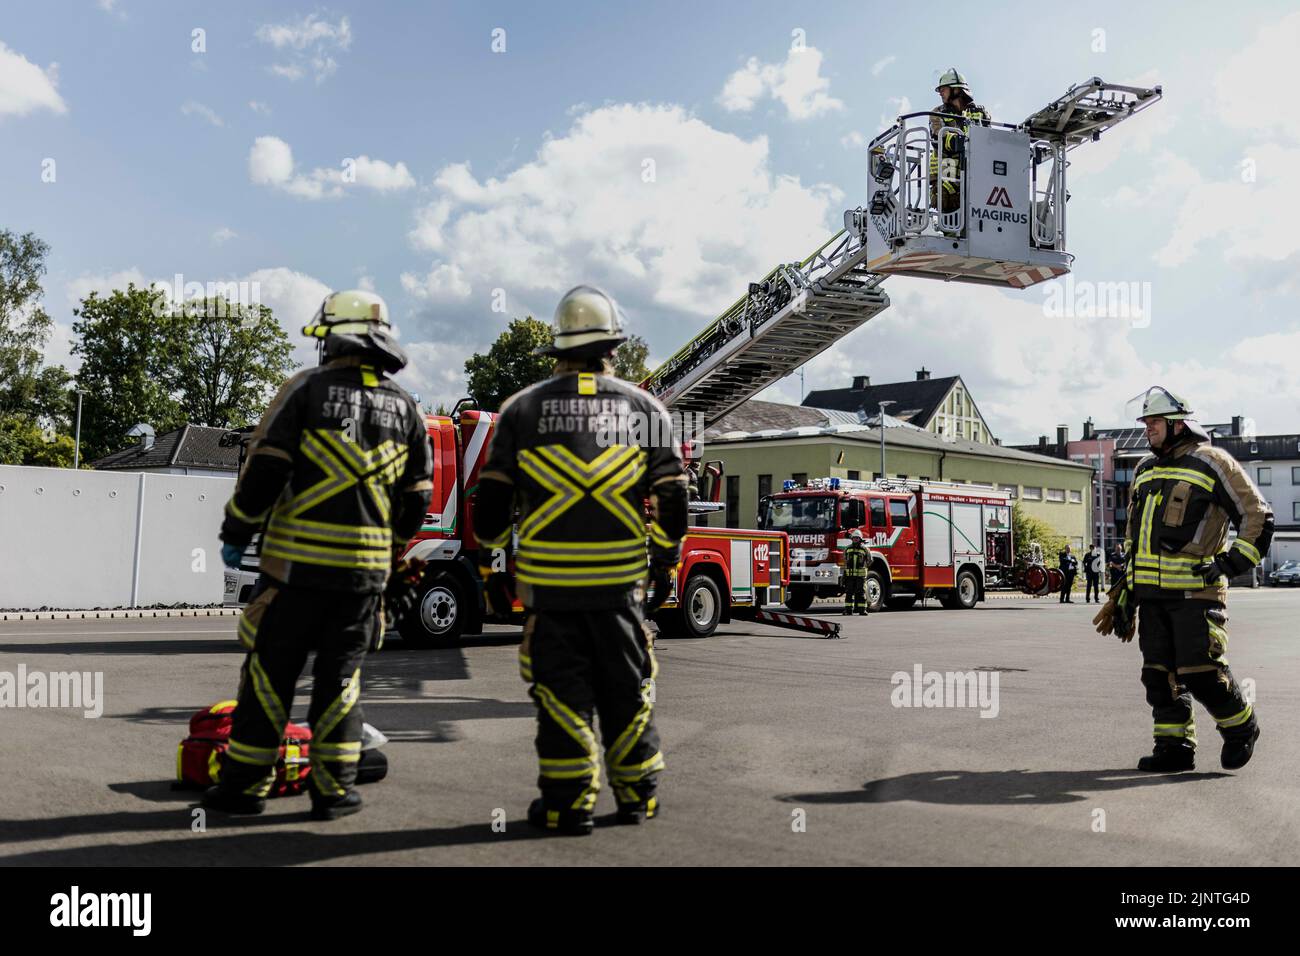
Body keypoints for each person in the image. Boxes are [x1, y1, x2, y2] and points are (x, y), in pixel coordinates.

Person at [204, 290, 433, 820]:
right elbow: (417, 499)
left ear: (333, 337)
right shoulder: (406, 407)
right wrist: (389, 551)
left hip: (293, 573)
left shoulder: (304, 390)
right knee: (341, 680)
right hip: (362, 581)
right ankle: (334, 792)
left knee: (268, 676)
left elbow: (265, 468)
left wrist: (237, 530)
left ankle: (244, 789)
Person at [474, 285, 689, 836]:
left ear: (560, 348)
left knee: (561, 697)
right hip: (620, 593)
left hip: (551, 597)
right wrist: (664, 565)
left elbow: (492, 505)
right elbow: (672, 498)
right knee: (627, 690)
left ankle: (566, 805)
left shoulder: (522, 410)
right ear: (612, 346)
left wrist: (491, 570)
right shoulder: (645, 410)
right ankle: (638, 795)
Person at [1094, 387, 1271, 772]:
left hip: (1197, 592)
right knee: (1158, 677)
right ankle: (1174, 749)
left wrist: (1229, 563)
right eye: (1145, 423)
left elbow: (1257, 515)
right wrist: (1126, 587)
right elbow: (1134, 536)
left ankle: (1242, 729)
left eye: (1154, 422)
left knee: (1202, 672)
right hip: (1152, 596)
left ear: (1178, 424)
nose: (1147, 430)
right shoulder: (1143, 469)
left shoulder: (1213, 462)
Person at [928, 68, 992, 218]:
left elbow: (989, 140)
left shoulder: (980, 112)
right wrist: (958, 141)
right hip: (947, 172)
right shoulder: (937, 113)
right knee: (949, 218)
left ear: (956, 89)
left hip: (975, 173)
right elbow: (937, 137)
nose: (940, 93)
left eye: (943, 89)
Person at [843, 528, 870, 616]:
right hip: (850, 575)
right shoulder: (847, 549)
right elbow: (845, 561)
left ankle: (862, 610)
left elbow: (869, 561)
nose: (855, 539)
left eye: (857, 538)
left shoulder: (865, 549)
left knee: (861, 592)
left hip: (861, 576)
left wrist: (864, 568)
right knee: (849, 592)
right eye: (854, 538)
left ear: (860, 539)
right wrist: (844, 574)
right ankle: (848, 610)